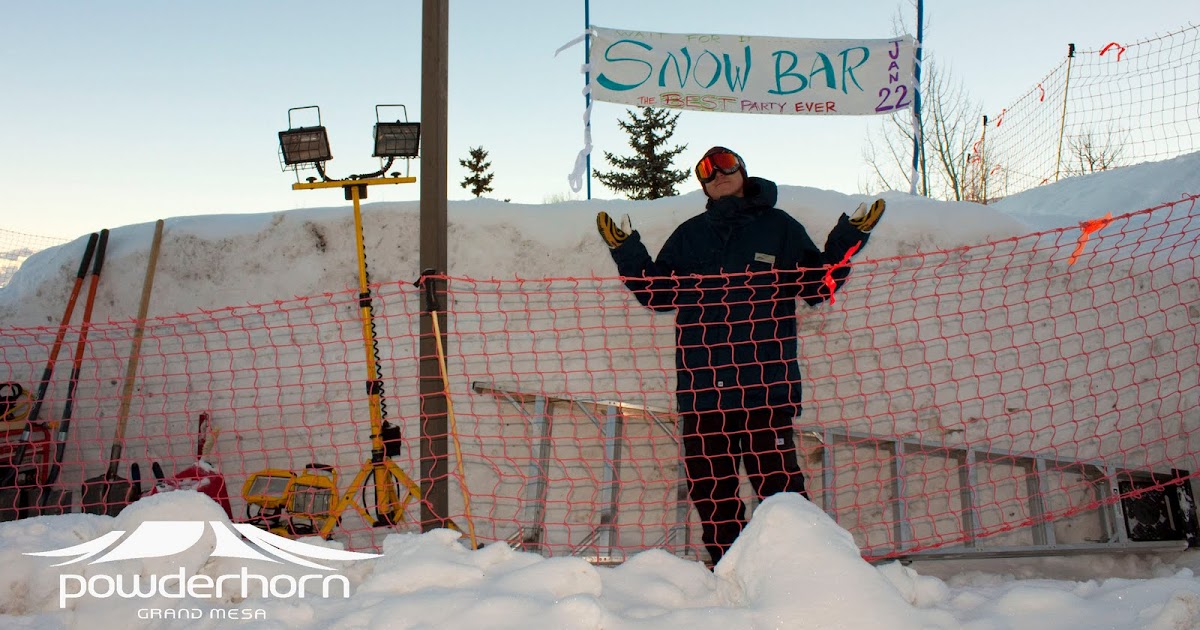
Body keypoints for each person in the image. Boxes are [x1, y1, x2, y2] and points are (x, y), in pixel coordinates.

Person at [595, 146, 884, 564]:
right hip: (703, 391)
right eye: (707, 172)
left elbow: (817, 287)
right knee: (712, 492)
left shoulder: (779, 228)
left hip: (764, 389)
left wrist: (849, 237)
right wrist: (627, 251)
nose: (718, 174)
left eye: (726, 164)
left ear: (743, 170)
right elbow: (657, 295)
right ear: (703, 186)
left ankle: (796, 571)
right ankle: (730, 570)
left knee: (781, 490)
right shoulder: (690, 234)